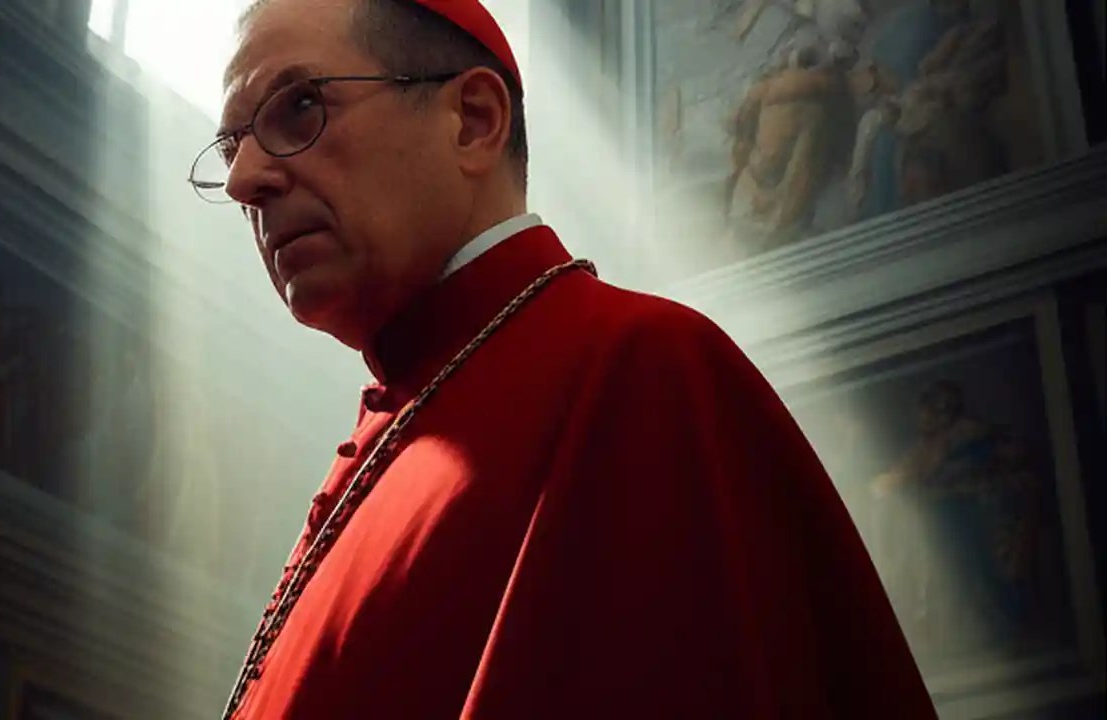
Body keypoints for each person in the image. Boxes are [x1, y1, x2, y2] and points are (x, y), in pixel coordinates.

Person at [191, 1, 937, 717]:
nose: (243, 180)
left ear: (472, 123)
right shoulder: (392, 428)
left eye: (300, 108)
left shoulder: (642, 369)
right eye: (230, 146)